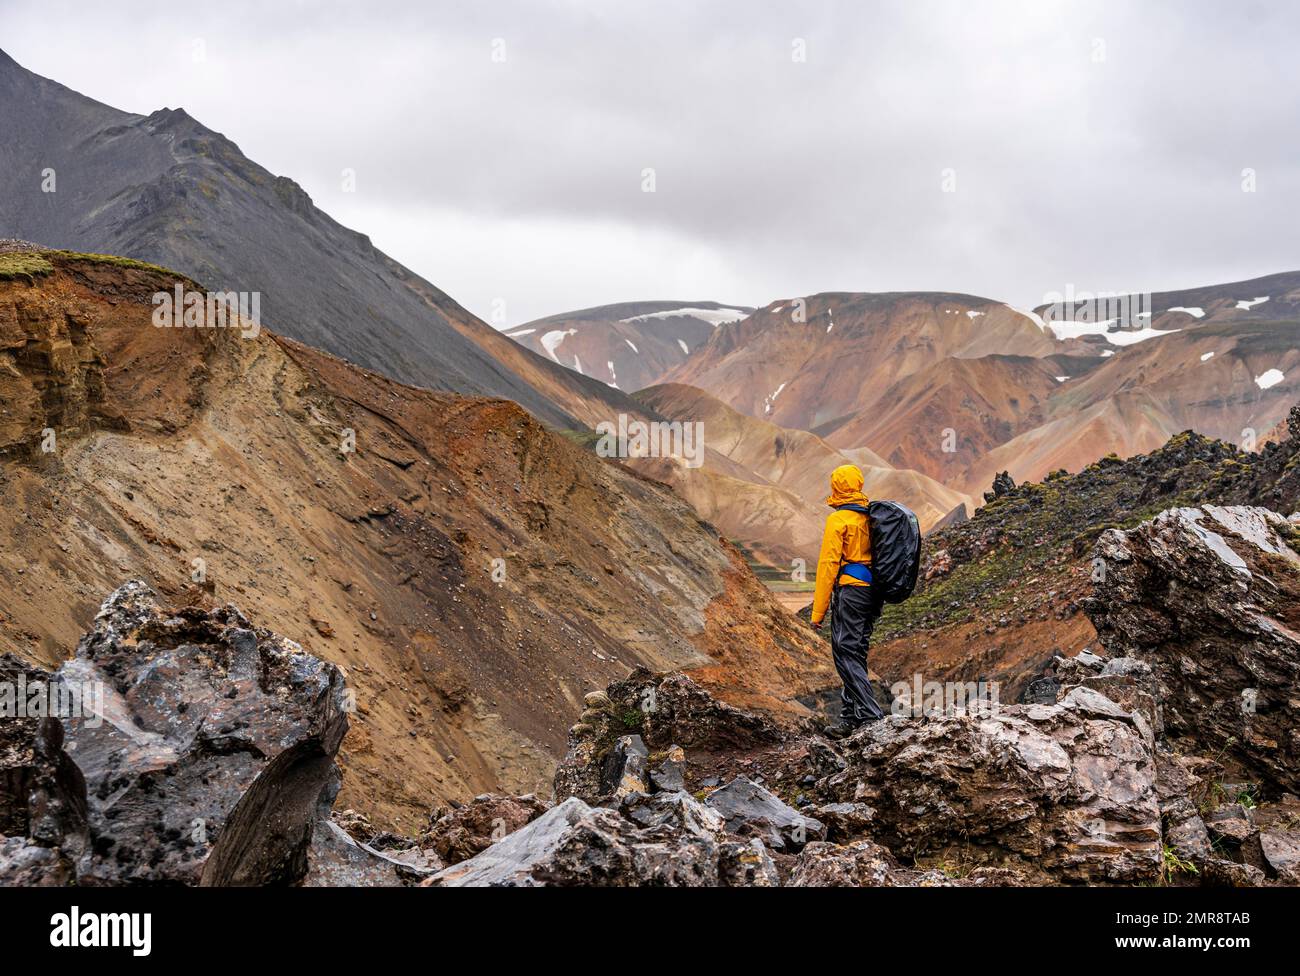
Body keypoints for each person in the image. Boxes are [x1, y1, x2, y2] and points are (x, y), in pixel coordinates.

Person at [810, 463, 885, 737]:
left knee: (843, 651)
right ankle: (850, 717)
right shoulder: (871, 516)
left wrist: (818, 612)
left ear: (836, 487)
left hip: (851, 592)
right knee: (856, 651)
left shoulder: (839, 520)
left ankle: (870, 715)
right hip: (873, 592)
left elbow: (828, 565)